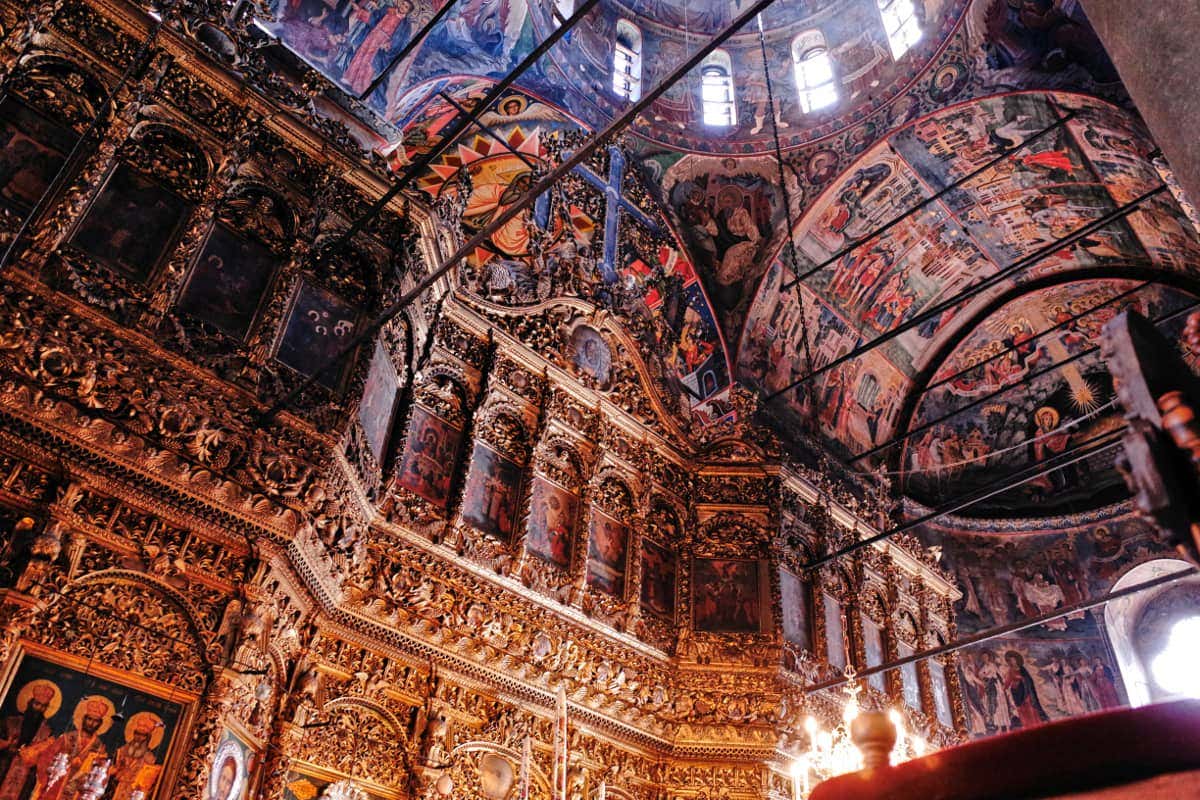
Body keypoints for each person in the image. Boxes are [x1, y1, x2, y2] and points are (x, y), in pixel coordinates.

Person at [26, 695, 114, 800]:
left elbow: (99, 773)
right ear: (83, 719)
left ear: (100, 724)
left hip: (78, 791)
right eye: (89, 719)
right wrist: (47, 777)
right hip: (56, 784)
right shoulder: (67, 738)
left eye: (96, 721)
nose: (91, 723)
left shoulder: (100, 748)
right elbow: (46, 758)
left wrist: (86, 768)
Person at [0, 679, 60, 799]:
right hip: (3, 767)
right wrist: (8, 744)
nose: (39, 709)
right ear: (30, 703)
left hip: (25, 777)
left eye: (44, 706)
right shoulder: (10, 722)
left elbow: (46, 759)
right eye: (37, 704)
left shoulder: (47, 731)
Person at [105, 712, 163, 800]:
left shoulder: (151, 760)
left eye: (143, 736)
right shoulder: (120, 752)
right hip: (114, 792)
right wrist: (113, 772)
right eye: (137, 734)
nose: (139, 738)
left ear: (148, 738)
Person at [1004, 651, 1049, 729]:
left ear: (1017, 659)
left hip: (1026, 693)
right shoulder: (1010, 671)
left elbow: (1029, 680)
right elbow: (1007, 683)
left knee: (1031, 710)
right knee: (1023, 712)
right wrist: (1003, 689)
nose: (1012, 662)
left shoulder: (1023, 669)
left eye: (1013, 660)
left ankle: (1037, 725)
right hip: (1017, 695)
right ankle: (1028, 727)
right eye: (1010, 661)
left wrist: (1023, 680)